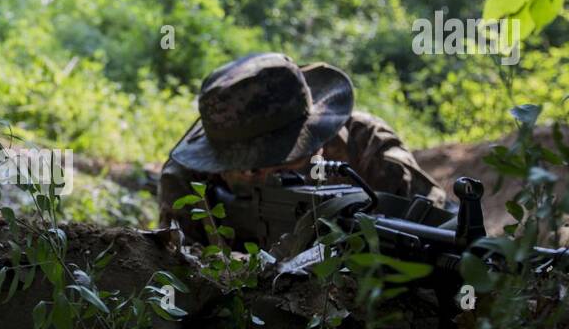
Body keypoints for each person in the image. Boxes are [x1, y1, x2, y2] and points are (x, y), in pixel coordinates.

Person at [158, 52, 445, 248]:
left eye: (285, 162)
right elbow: (176, 274)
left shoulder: (367, 146)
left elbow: (436, 224)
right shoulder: (188, 182)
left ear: (314, 138)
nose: (270, 177)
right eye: (249, 169)